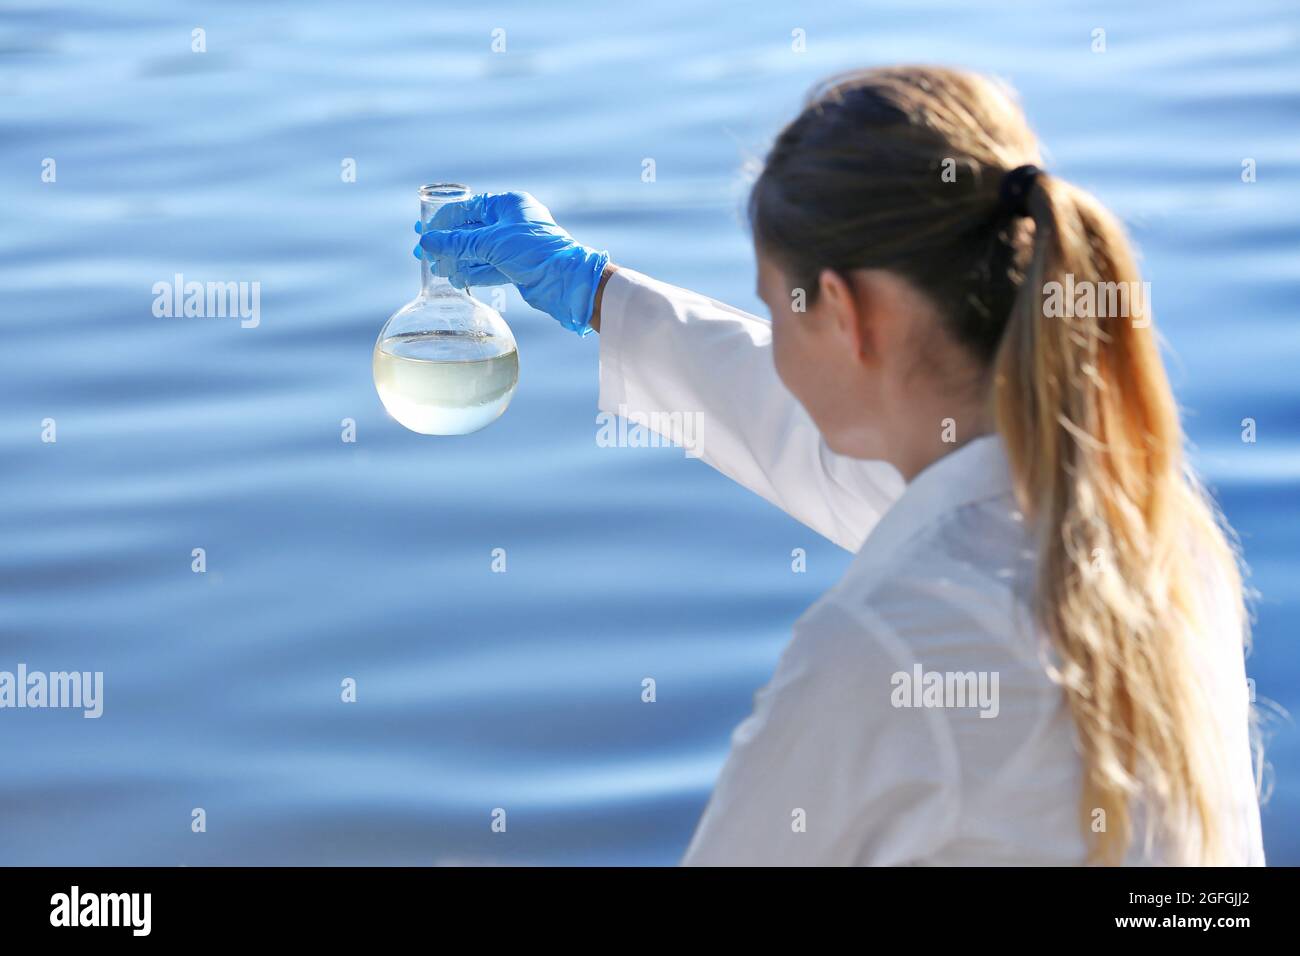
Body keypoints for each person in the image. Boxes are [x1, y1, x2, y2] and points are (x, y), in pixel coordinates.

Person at [416, 65, 1264, 865]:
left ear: (846, 313)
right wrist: (595, 289)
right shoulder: (1151, 535)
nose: (772, 340)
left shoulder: (883, 650)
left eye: (771, 305)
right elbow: (831, 449)